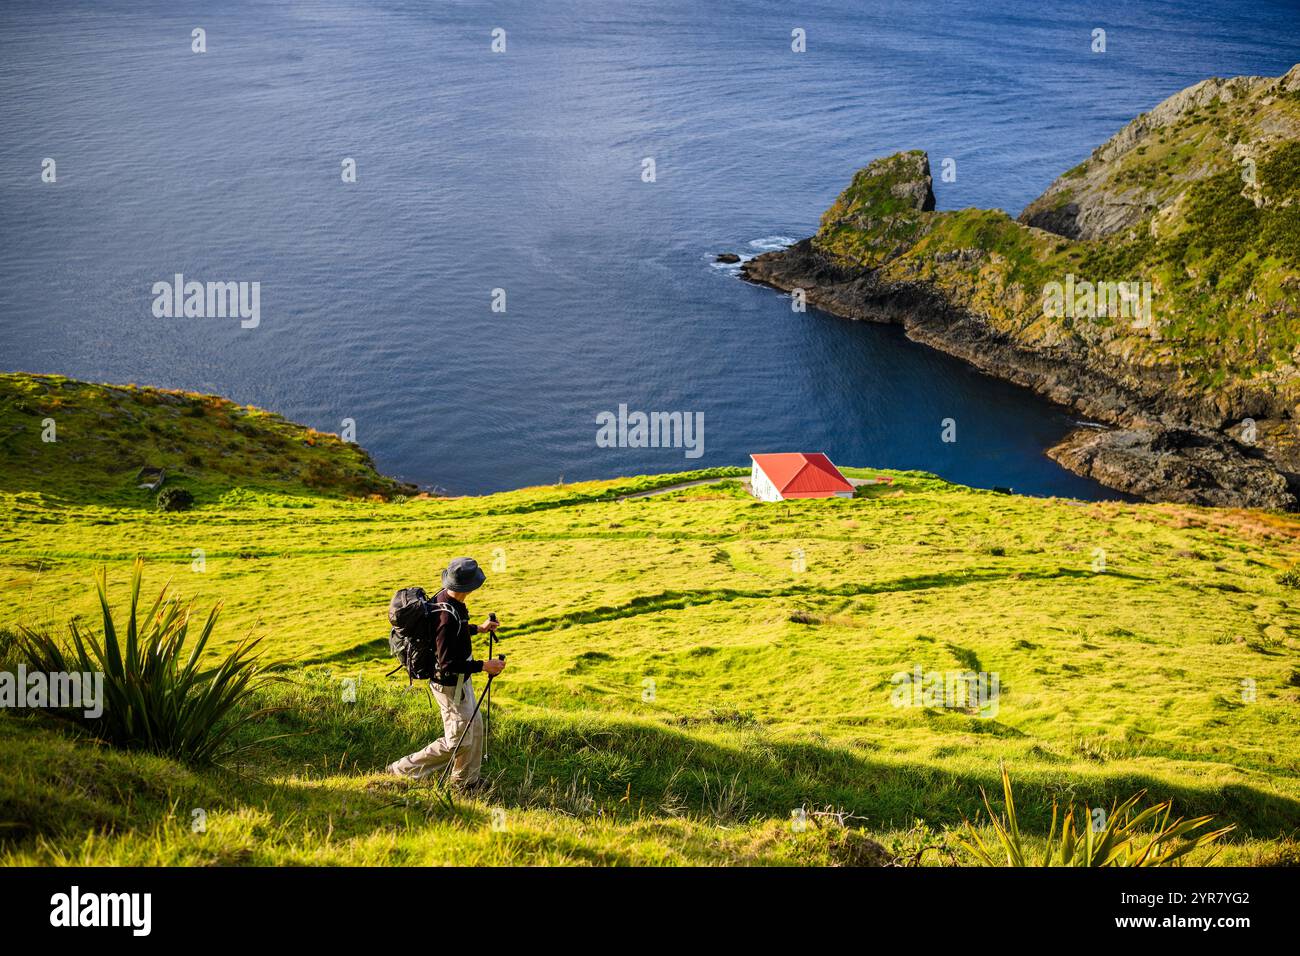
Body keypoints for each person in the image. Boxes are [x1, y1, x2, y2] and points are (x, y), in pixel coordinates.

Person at [386, 557, 504, 788]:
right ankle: (400, 770)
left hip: (460, 679)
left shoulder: (448, 600)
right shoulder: (446, 618)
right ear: (469, 586)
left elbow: (454, 634)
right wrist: (483, 666)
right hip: (449, 683)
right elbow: (448, 662)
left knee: (475, 727)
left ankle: (466, 782)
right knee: (457, 741)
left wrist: (478, 629)